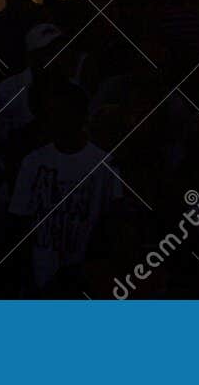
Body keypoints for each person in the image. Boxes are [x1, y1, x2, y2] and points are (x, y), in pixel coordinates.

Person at [7, 80, 121, 295]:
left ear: (81, 115)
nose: (57, 120)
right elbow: (21, 221)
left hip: (85, 276)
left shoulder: (104, 165)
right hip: (41, 274)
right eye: (53, 113)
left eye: (63, 112)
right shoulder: (33, 161)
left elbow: (110, 224)